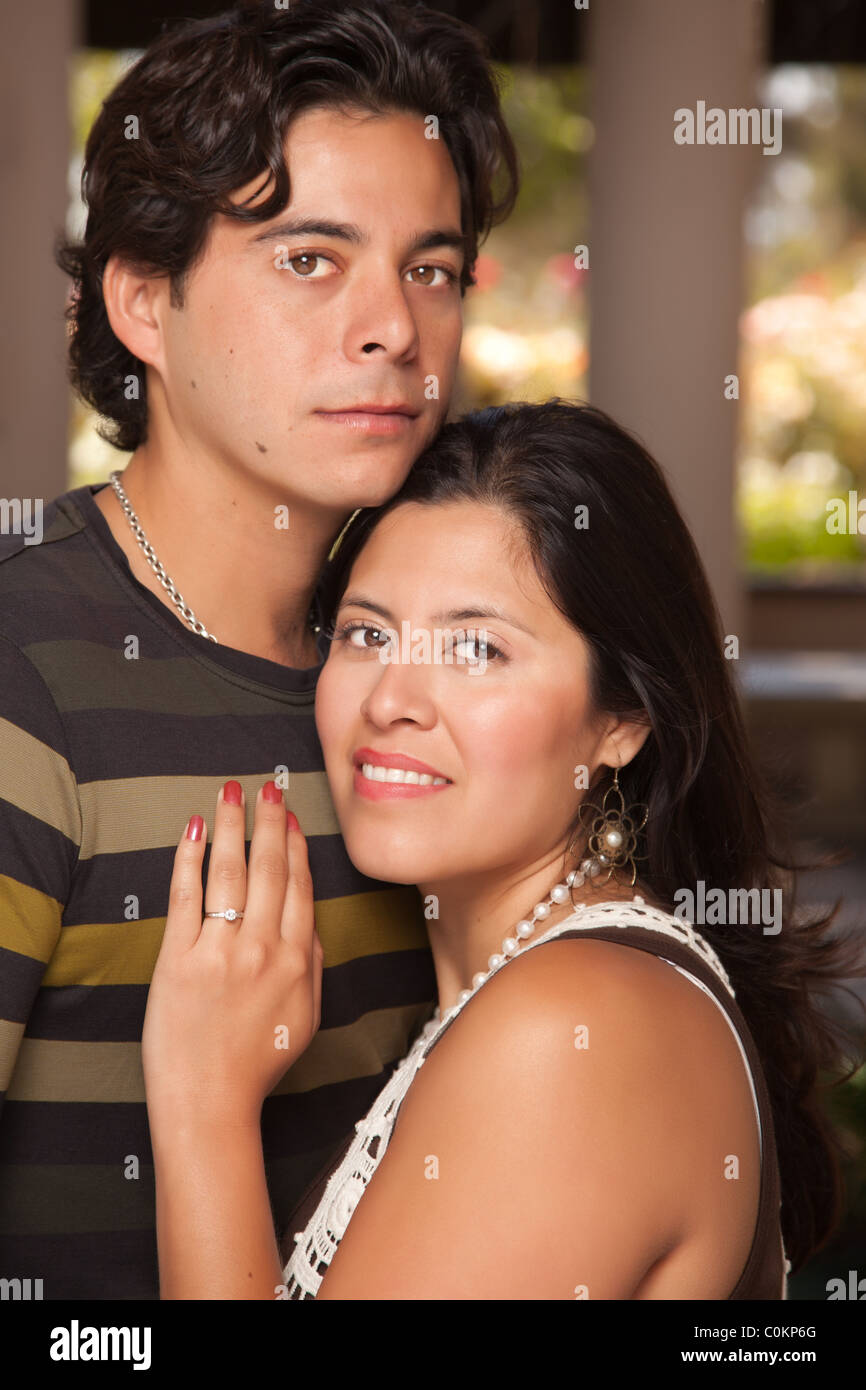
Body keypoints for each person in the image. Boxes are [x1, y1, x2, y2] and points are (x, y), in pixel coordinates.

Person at [0, 0, 518, 1298]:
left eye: (431, 267)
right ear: (142, 304)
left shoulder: (444, 678)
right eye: (309, 259)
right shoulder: (22, 665)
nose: (394, 328)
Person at [142, 399, 866, 1300]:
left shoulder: (574, 1032)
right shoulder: (537, 989)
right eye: (367, 633)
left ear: (623, 718)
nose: (391, 700)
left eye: (478, 648)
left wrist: (202, 1104)